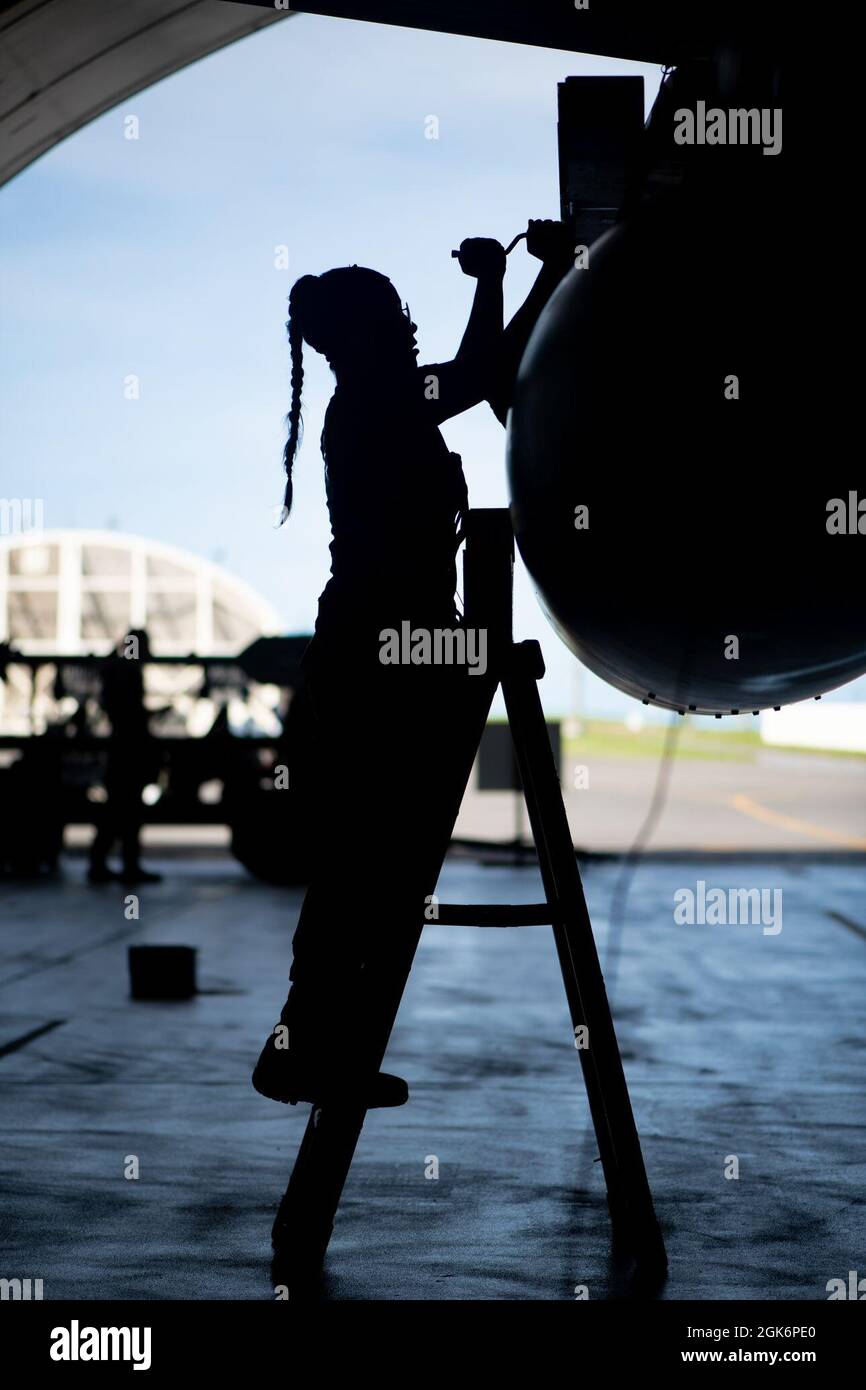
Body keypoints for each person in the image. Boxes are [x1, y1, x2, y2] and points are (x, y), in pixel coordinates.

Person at [252, 222, 573, 1108]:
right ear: (362, 334)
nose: (405, 320)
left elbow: (483, 368)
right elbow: (477, 375)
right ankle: (301, 1046)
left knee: (369, 855)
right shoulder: (377, 399)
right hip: (381, 651)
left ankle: (314, 1043)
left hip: (381, 646)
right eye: (392, 310)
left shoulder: (374, 398)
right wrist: (506, 277)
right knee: (365, 856)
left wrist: (524, 277)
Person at [89, 629, 162, 886]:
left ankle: (101, 863)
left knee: (116, 811)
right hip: (129, 752)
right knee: (128, 813)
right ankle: (126, 866)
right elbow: (131, 715)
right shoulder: (129, 673)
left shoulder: (117, 670)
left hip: (120, 751)